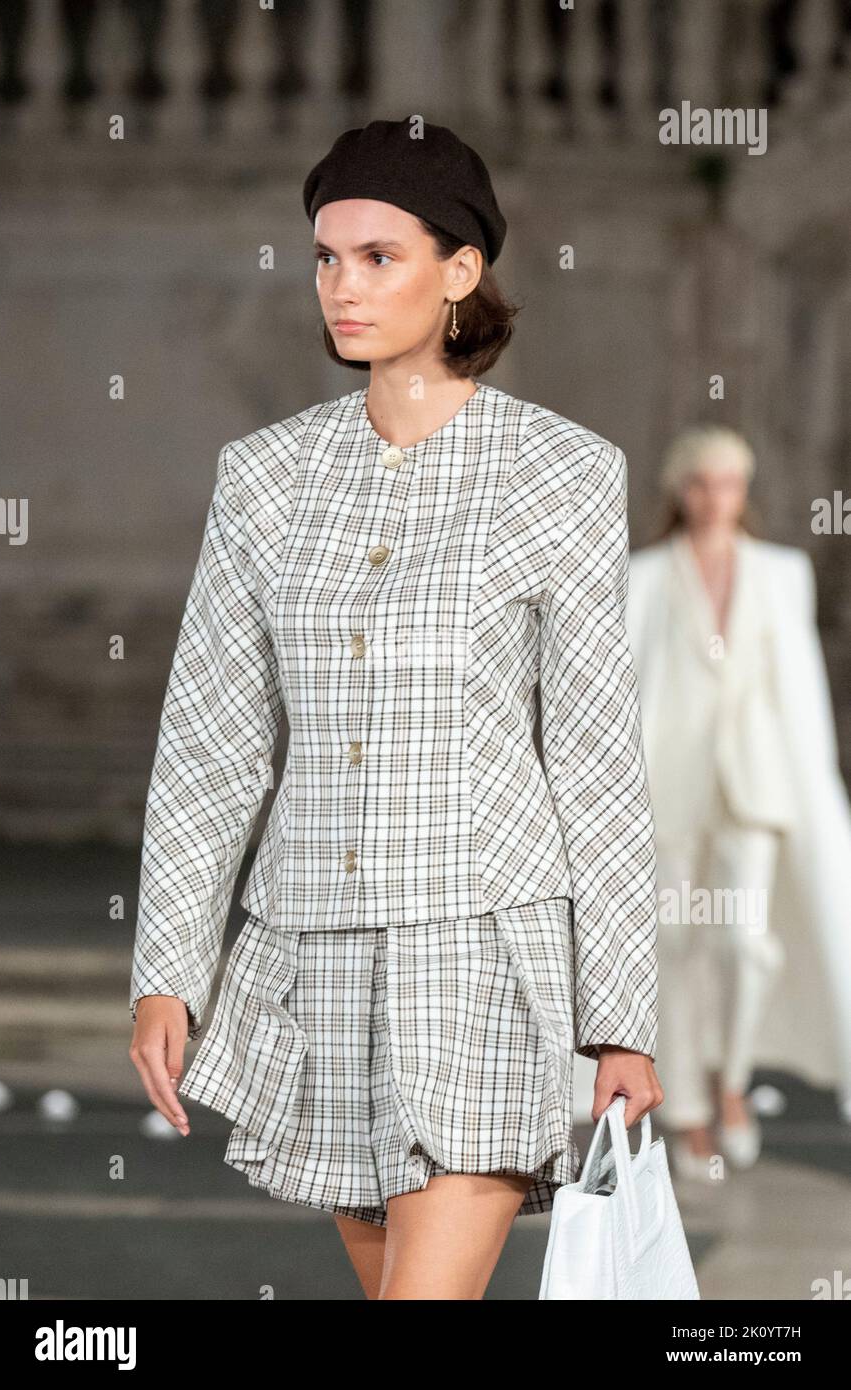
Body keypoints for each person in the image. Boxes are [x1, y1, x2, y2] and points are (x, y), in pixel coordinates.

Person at [128, 116, 662, 1300]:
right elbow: (213, 740)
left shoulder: (561, 471)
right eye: (326, 257)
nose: (342, 286)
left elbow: (592, 753)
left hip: (479, 948)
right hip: (313, 957)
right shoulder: (263, 475)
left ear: (460, 270)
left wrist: (621, 1016)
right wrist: (168, 966)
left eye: (379, 256)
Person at [626, 425, 851, 1182]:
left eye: (726, 483)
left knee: (744, 944)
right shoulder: (646, 574)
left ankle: (732, 1084)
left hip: (754, 786)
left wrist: (812, 781)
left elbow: (800, 689)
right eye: (699, 483)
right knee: (674, 944)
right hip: (667, 789)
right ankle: (687, 1106)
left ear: (743, 489)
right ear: (679, 490)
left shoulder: (782, 572)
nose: (713, 498)